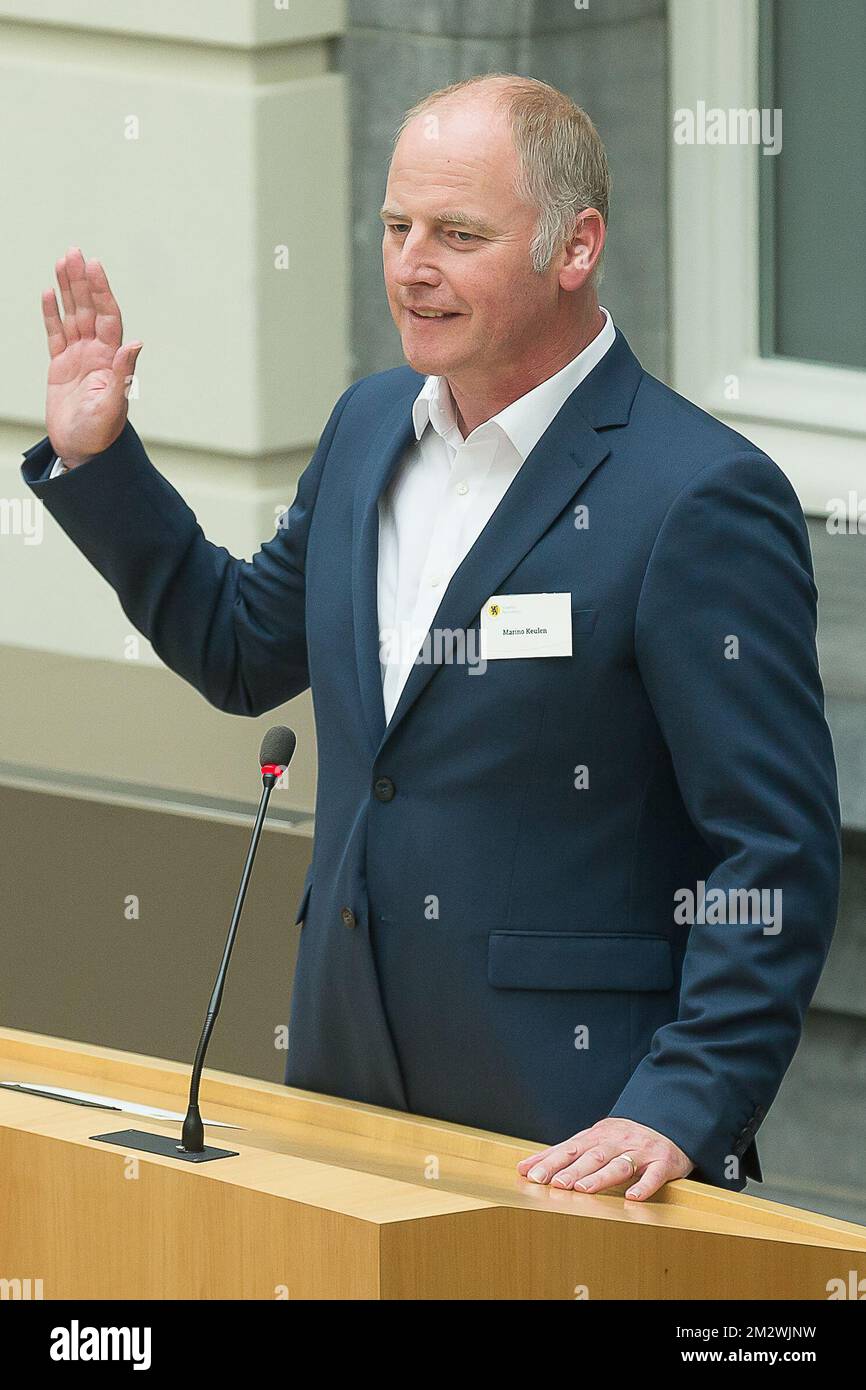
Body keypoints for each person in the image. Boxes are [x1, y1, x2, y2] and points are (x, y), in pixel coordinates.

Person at [21, 74, 841, 1200]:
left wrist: (682, 1101)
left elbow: (773, 853)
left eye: (457, 234)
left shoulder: (696, 496)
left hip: (571, 1130)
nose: (413, 264)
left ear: (574, 247)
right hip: (341, 1089)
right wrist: (103, 464)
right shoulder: (367, 427)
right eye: (396, 227)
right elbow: (241, 648)